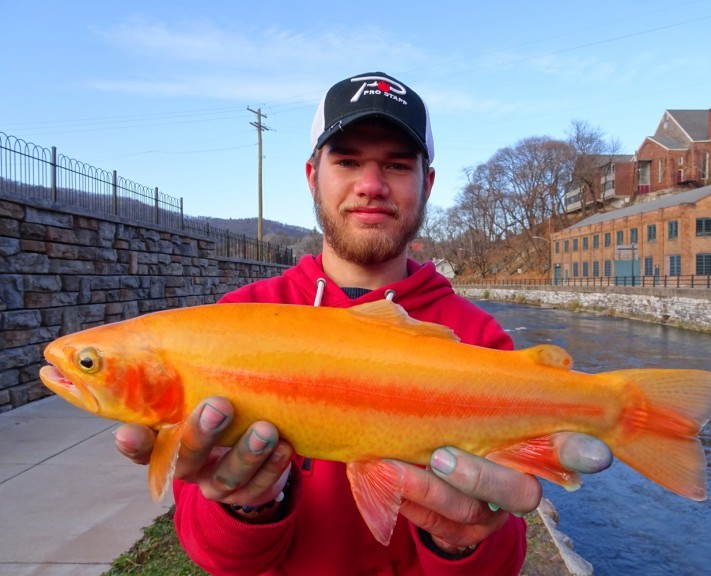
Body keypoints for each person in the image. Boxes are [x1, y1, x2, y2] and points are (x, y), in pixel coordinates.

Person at [114, 71, 612, 575]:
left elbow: (501, 558)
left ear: (428, 182)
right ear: (313, 175)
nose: (371, 185)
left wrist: (462, 543)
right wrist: (245, 503)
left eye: (396, 164)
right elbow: (214, 555)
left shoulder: (479, 341)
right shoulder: (232, 321)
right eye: (348, 160)